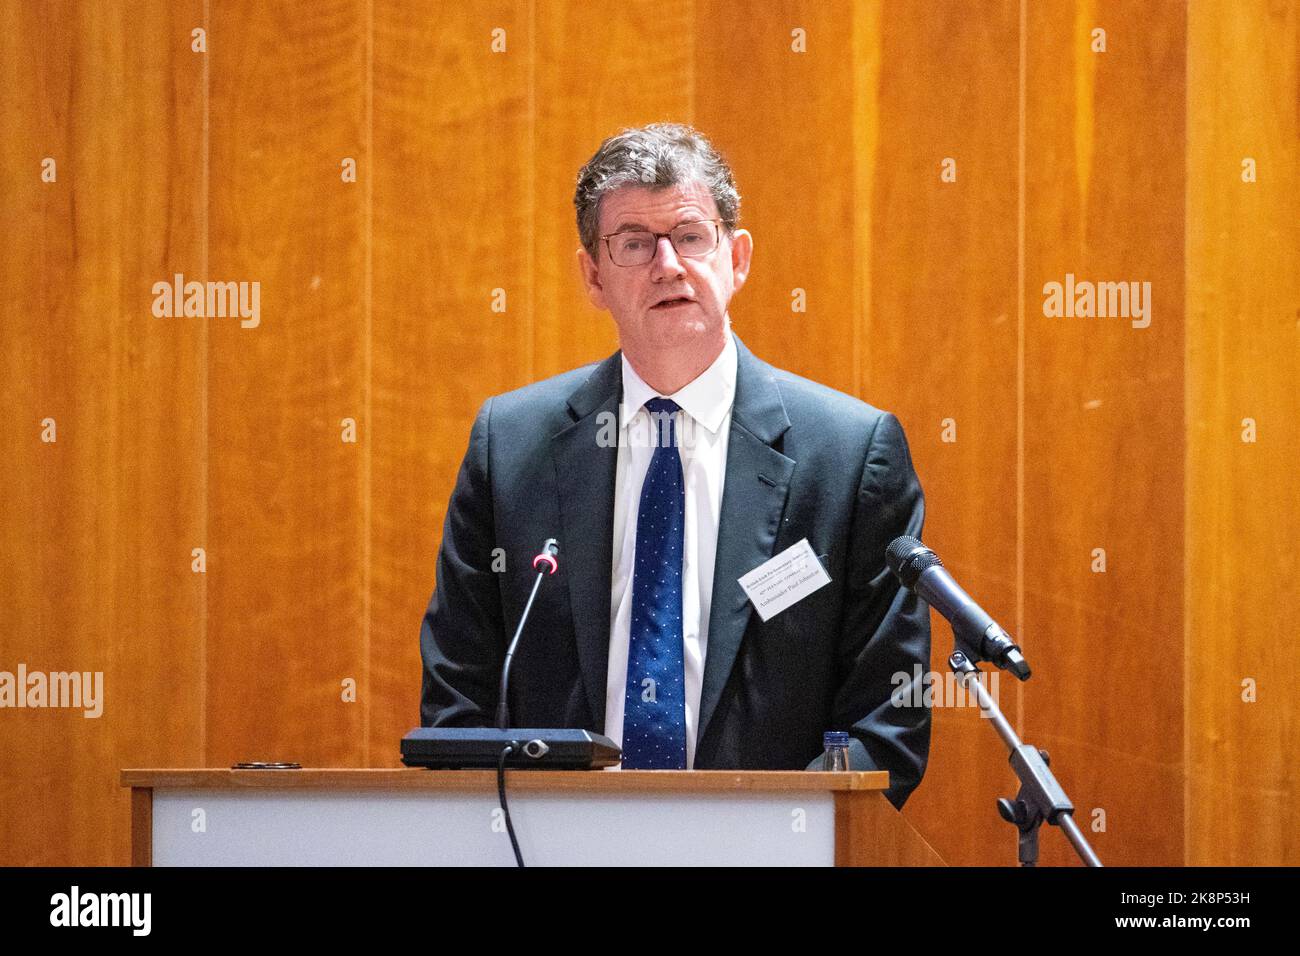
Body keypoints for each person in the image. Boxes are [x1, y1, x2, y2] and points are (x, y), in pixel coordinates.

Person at [420, 123, 931, 809]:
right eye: (634, 243)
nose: (668, 265)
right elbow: (458, 701)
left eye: (691, 236)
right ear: (593, 276)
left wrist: (759, 847)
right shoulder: (510, 446)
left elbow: (887, 723)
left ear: (736, 257)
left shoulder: (848, 453)